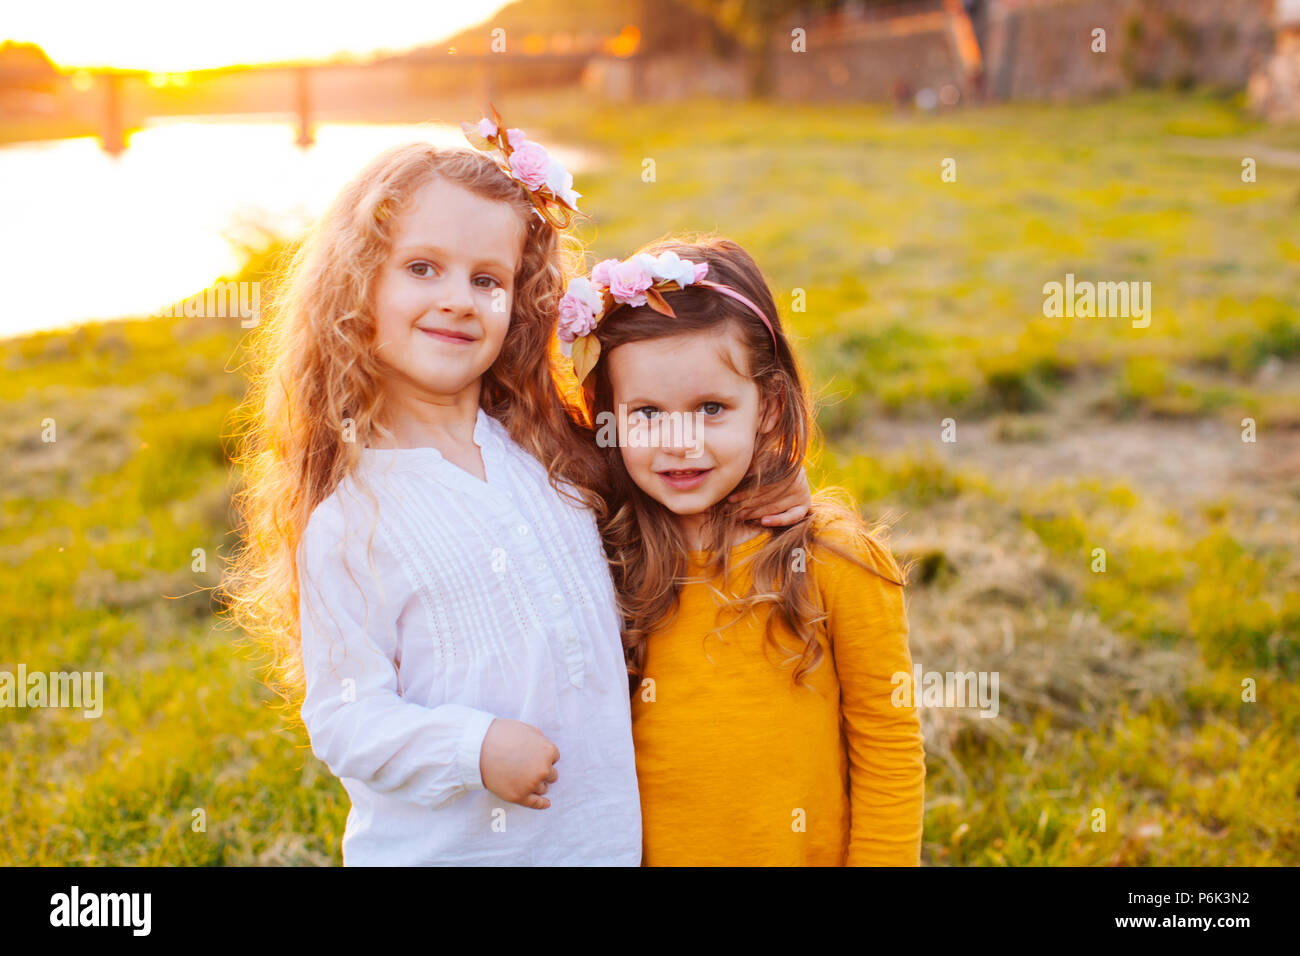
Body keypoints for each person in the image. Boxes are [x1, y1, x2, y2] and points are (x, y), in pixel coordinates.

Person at [559, 235, 926, 865]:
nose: (681, 443)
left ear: (769, 406)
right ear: (607, 417)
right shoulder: (603, 553)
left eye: (710, 408)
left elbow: (888, 745)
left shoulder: (834, 562)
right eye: (647, 412)